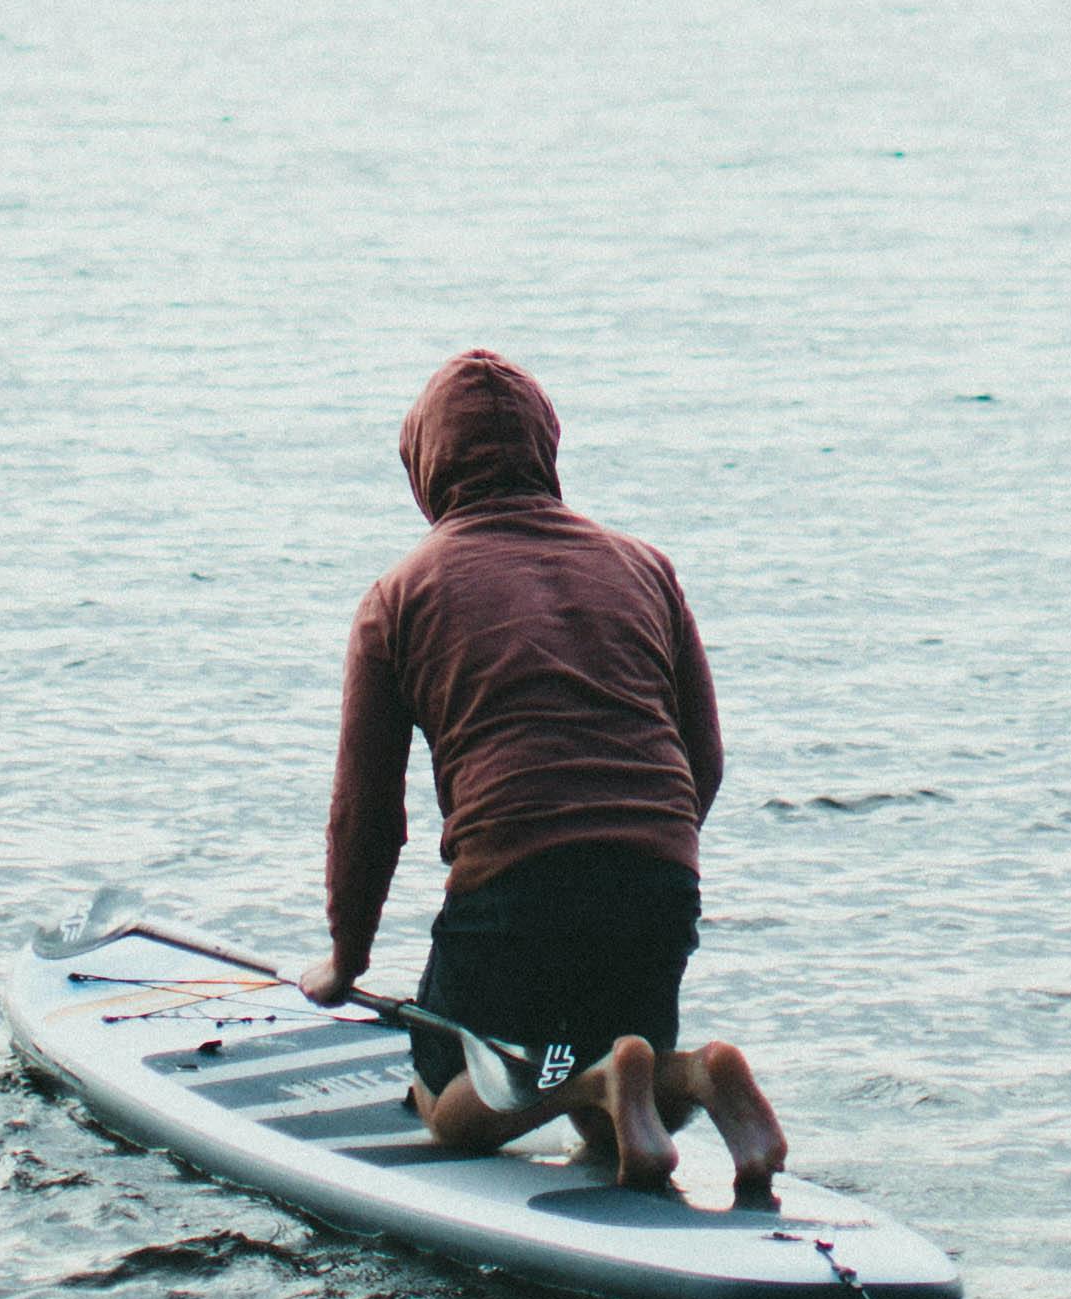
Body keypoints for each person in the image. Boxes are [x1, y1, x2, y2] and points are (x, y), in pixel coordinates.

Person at [297, 347, 786, 1200]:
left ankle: (587, 1077)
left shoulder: (399, 595)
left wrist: (345, 957)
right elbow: (700, 757)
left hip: (515, 893)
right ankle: (698, 1074)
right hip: (655, 877)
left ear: (424, 467)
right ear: (546, 449)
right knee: (611, 1115)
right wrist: (637, 854)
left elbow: (366, 816)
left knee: (452, 1102)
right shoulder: (644, 567)